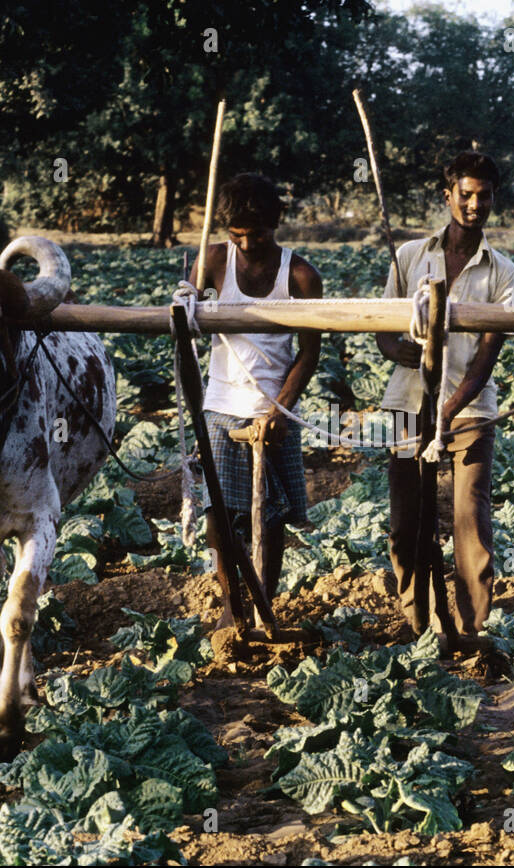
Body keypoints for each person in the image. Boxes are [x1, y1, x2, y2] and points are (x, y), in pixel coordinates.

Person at [376, 151, 514, 640]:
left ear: (493, 200)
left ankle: (471, 630)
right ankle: (417, 621)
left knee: (470, 523)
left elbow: (484, 361)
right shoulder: (410, 256)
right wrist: (419, 358)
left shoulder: (502, 272)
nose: (474, 204)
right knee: (405, 522)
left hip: (469, 410)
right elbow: (384, 337)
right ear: (448, 196)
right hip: (405, 404)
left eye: (483, 196)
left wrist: (446, 409)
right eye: (465, 194)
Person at [190, 173, 323, 627]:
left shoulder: (301, 275)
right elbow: (187, 315)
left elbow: (309, 355)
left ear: (276, 224)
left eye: (258, 234)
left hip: (274, 407)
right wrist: (187, 297)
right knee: (219, 517)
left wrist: (279, 408)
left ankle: (265, 603)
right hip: (221, 405)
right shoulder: (212, 261)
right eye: (237, 235)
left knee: (269, 518)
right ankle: (233, 607)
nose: (247, 244)